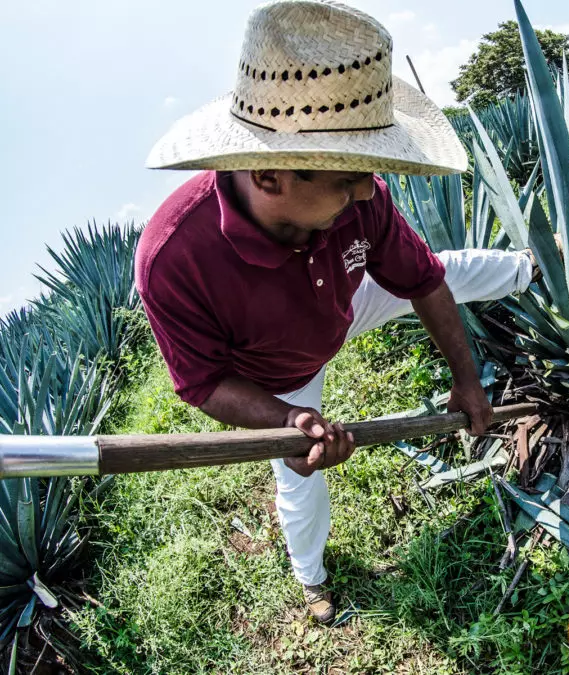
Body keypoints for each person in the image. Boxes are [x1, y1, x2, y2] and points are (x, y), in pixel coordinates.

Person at [135, 0, 533, 623]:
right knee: (298, 481)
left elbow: (423, 280)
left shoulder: (355, 195)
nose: (369, 192)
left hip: (344, 303)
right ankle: (313, 578)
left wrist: (465, 377)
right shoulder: (175, 258)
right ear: (270, 177)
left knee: (448, 268)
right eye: (349, 179)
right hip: (282, 372)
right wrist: (290, 418)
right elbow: (204, 382)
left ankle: (532, 268)